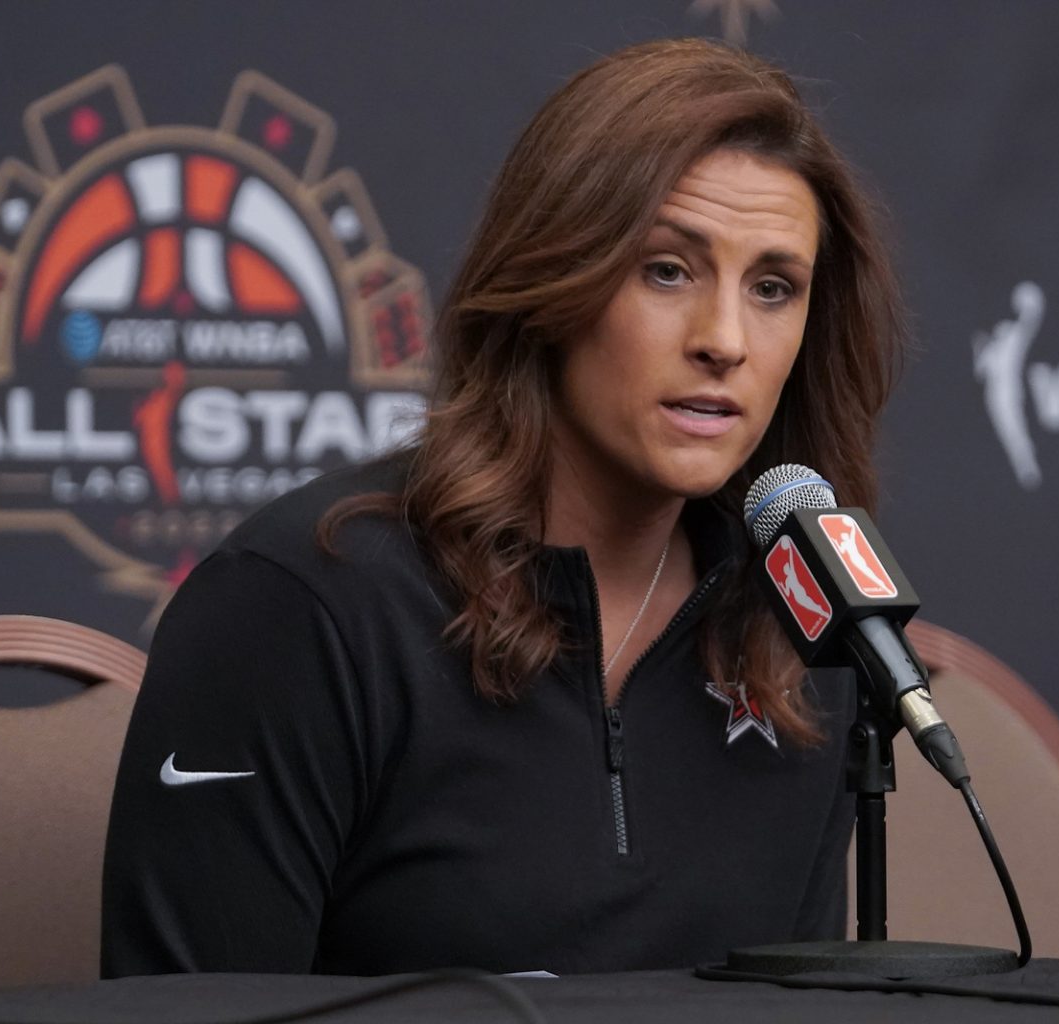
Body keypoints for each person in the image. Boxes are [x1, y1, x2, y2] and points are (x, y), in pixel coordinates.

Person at [101, 37, 907, 977]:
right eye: (666, 270)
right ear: (550, 280)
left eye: (774, 288)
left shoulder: (803, 630)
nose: (724, 339)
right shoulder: (301, 605)